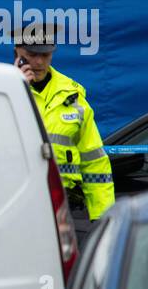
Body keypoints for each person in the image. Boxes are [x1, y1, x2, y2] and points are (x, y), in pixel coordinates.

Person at [14, 21, 114, 232]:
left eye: (46, 54)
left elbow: (95, 163)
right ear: (18, 52)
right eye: (32, 55)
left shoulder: (72, 94)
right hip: (18, 207)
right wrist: (17, 87)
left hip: (66, 207)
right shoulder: (4, 90)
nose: (40, 61)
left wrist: (103, 218)